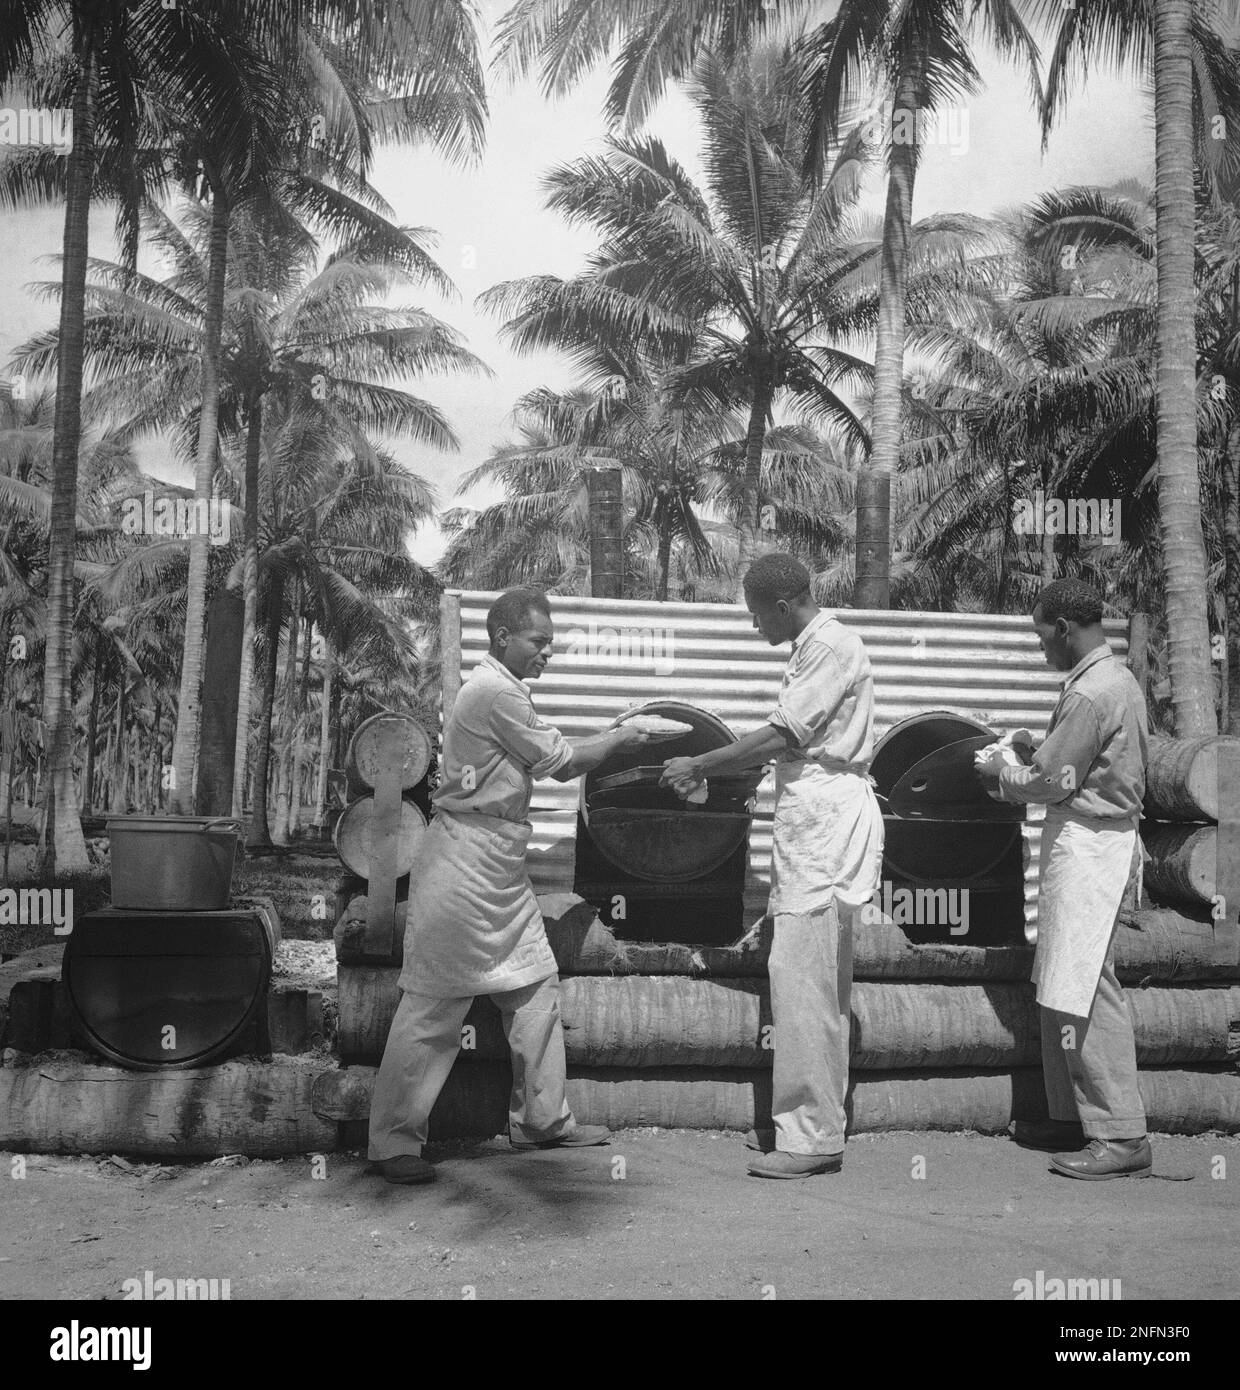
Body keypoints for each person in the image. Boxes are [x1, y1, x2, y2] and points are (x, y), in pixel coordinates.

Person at [368, 588, 652, 1184]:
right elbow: (566, 763)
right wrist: (625, 738)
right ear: (503, 637)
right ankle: (394, 1143)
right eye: (538, 642)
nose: (548, 652)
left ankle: (541, 1121)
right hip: (463, 861)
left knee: (533, 984)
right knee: (434, 1000)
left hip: (497, 859)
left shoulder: (506, 692)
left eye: (550, 642)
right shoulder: (494, 693)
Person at [660, 553, 883, 1178]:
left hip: (825, 830)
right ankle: (818, 1127)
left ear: (783, 605)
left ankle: (811, 1138)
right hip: (816, 823)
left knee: (803, 978)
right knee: (811, 975)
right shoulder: (813, 649)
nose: (755, 626)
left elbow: (785, 736)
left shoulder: (830, 647)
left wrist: (700, 764)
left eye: (757, 614)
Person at [976, 577, 1151, 1180]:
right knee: (1059, 976)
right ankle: (1070, 1115)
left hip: (1089, 843)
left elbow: (1053, 782)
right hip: (1090, 839)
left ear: (1065, 629)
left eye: (1042, 634)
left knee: (1086, 983)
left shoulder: (1090, 694)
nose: (1041, 646)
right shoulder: (1111, 680)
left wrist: (1003, 768)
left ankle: (1121, 1134)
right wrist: (1034, 747)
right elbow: (1072, 760)